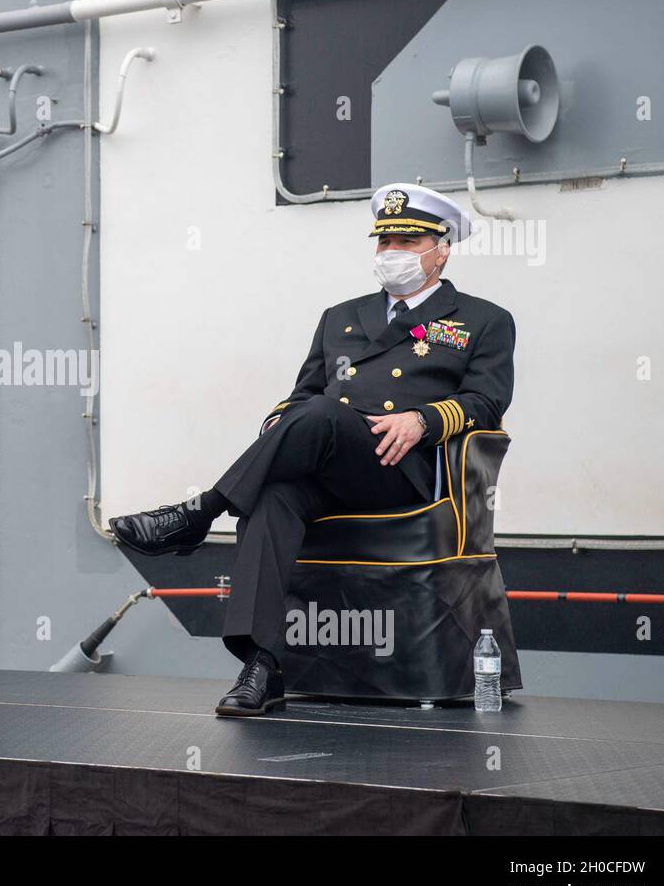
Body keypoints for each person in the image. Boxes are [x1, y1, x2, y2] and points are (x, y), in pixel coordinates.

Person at [109, 184, 516, 717]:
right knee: (274, 494)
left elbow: (486, 402)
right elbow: (299, 398)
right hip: (329, 466)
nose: (391, 250)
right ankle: (261, 667)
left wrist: (422, 420)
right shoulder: (340, 316)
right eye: (383, 240)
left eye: (407, 239)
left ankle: (200, 512)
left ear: (441, 248)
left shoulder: (481, 319)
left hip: (403, 472)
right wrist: (281, 422)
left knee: (325, 413)